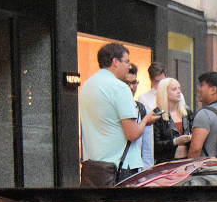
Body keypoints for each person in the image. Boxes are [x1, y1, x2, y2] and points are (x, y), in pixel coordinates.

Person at [78, 42, 158, 185]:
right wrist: (146, 120)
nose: (129, 66)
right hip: (120, 168)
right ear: (115, 62)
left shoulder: (87, 85)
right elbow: (132, 134)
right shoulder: (120, 88)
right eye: (126, 61)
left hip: (93, 168)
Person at [183, 71, 217, 159]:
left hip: (207, 168)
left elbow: (195, 149)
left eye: (202, 85)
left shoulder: (204, 114)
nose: (199, 89)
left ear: (213, 90)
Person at [152, 77, 189, 162]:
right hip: (166, 164)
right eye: (174, 89)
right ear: (164, 92)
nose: (179, 91)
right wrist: (175, 141)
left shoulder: (186, 112)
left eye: (179, 88)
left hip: (186, 162)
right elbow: (155, 145)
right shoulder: (157, 114)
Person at [126, 62, 152, 168]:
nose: (131, 87)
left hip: (136, 169)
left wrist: (147, 172)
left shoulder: (142, 108)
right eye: (127, 83)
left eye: (134, 82)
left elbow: (147, 149)